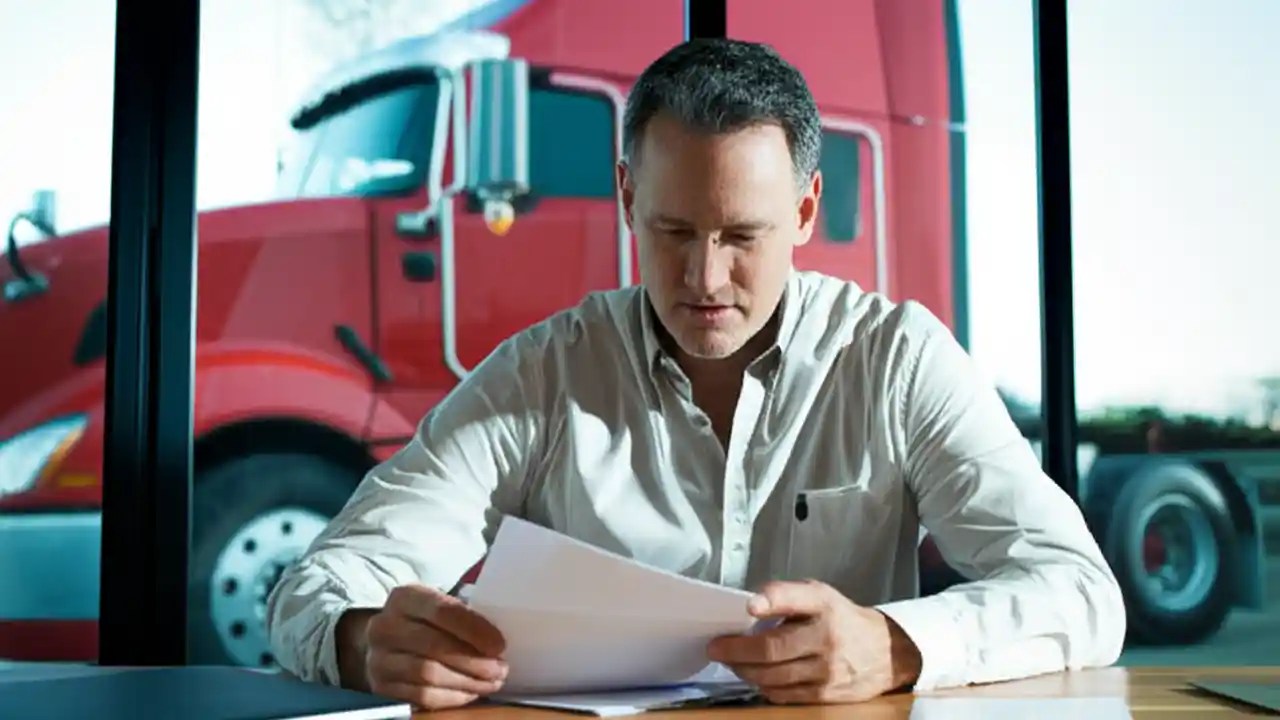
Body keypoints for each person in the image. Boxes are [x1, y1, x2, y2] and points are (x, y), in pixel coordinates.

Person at [266, 38, 1126, 709]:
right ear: (626, 197)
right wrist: (361, 638)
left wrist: (897, 645)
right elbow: (317, 586)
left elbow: (1083, 595)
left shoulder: (896, 359)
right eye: (674, 232)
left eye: (742, 237)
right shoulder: (543, 375)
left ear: (804, 211)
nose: (704, 279)